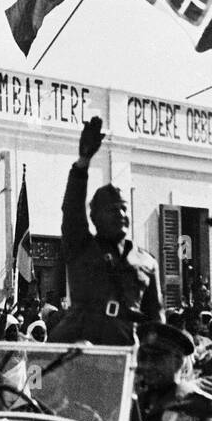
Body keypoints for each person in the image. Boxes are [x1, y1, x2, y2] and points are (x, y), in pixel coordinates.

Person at [49, 117, 162, 345]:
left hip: (126, 348)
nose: (121, 214)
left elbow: (155, 320)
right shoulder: (80, 246)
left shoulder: (147, 262)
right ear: (94, 217)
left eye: (123, 208)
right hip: (82, 346)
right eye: (112, 210)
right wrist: (83, 162)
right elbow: (71, 210)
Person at [127, 322, 212, 421]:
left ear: (178, 362)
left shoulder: (202, 406)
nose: (146, 366)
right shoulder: (134, 401)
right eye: (143, 358)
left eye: (156, 358)